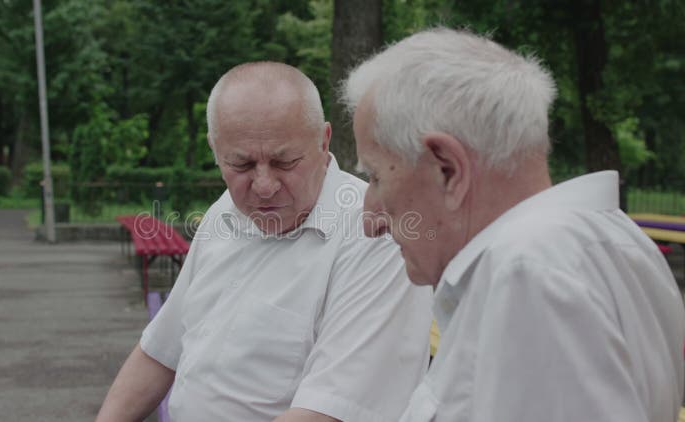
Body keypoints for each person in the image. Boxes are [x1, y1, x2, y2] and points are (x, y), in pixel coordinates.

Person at [342, 27, 685, 422]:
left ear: (448, 169)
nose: (370, 220)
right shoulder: (610, 239)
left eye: (376, 177)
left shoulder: (528, 275)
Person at [96, 62, 434, 422]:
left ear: (323, 141)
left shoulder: (374, 237)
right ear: (215, 149)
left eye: (284, 162)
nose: (263, 186)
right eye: (240, 165)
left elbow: (327, 412)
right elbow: (160, 351)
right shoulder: (225, 210)